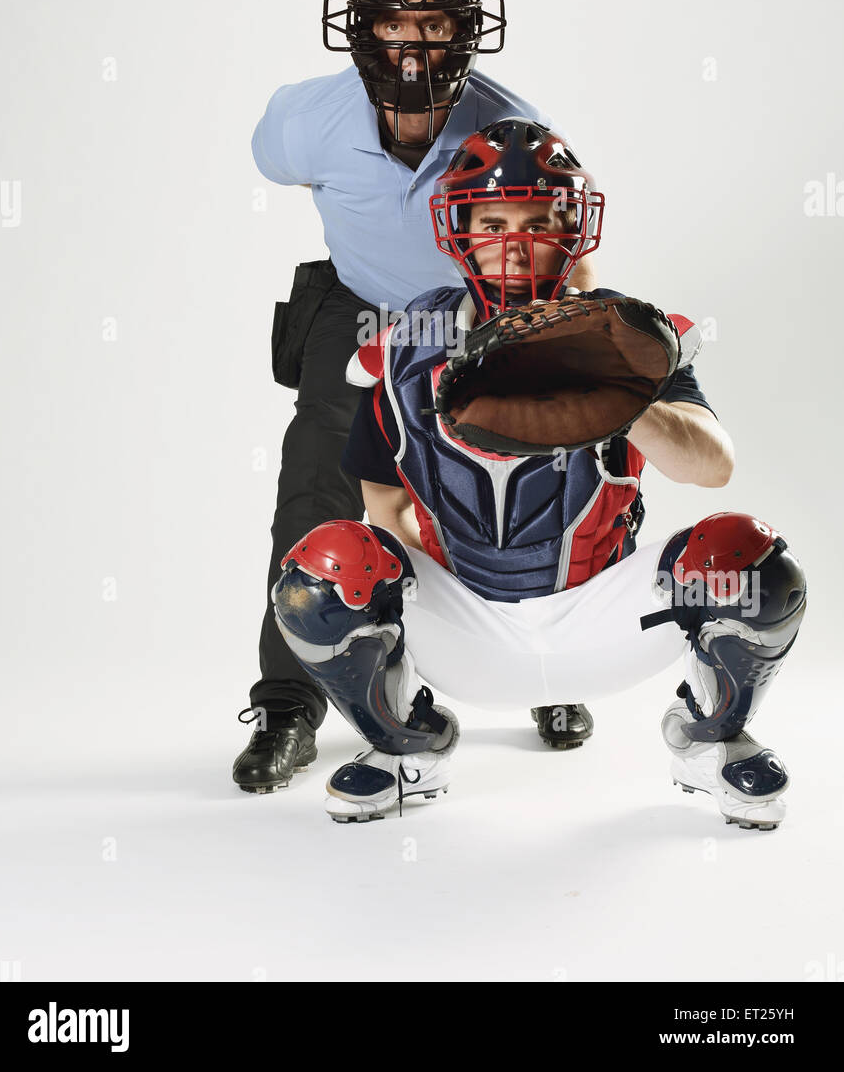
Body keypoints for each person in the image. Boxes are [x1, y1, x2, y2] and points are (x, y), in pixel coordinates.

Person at [272, 117, 807, 827]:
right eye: (492, 219)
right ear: (457, 226)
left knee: (749, 560)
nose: (514, 242)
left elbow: (712, 467)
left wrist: (621, 395)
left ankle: (711, 741)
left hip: (601, 619)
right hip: (468, 630)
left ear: (573, 228)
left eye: (538, 219)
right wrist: (439, 590)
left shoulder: (628, 335)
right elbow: (383, 508)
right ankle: (404, 744)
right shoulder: (411, 345)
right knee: (322, 571)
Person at [235, 0, 597, 794]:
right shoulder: (306, 120)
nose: (414, 46)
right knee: (317, 484)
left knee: (518, 481)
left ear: (465, 36)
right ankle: (290, 701)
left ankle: (550, 671)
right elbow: (271, 163)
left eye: (434, 27)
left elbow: (562, 229)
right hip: (361, 304)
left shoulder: (506, 121)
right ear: (363, 36)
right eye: (396, 26)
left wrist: (563, 331)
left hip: (472, 313)